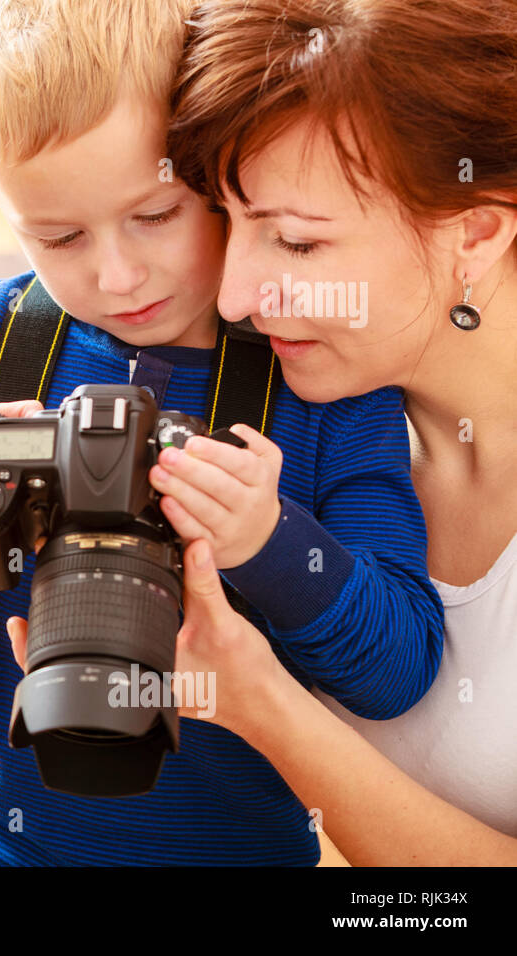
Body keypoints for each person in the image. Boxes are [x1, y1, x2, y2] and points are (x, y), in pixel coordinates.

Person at [0, 0, 444, 865]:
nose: (117, 274)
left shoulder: (317, 376)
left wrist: (267, 539)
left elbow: (399, 669)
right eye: (58, 235)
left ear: (214, 163)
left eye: (156, 215)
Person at [160, 0, 517, 863]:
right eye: (226, 220)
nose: (235, 297)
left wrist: (266, 708)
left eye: (297, 244)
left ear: (475, 232)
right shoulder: (295, 406)